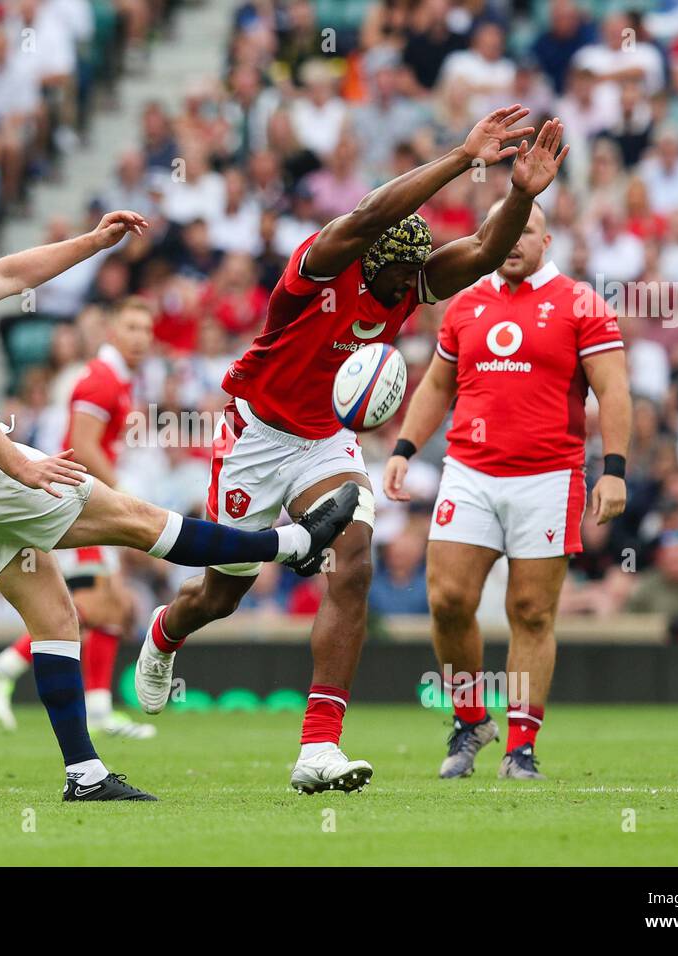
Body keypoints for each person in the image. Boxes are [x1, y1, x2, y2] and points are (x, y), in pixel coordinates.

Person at [0, 203, 356, 802]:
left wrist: (93, 242)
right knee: (138, 520)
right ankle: (294, 543)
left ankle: (84, 776)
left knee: (57, 620)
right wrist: (21, 462)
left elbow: (14, 276)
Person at [134, 107, 571, 794]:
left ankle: (318, 747)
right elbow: (367, 215)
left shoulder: (410, 278)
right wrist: (462, 157)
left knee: (353, 566)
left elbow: (485, 253)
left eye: (412, 277)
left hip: (324, 440)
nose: (408, 288)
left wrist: (520, 193)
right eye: (396, 276)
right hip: (257, 433)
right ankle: (166, 633)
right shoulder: (321, 264)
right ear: (371, 258)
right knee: (221, 595)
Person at [384, 195, 630, 780]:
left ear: (547, 243)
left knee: (531, 612)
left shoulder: (581, 304)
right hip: (469, 471)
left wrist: (615, 469)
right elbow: (437, 386)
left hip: (549, 474)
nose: (514, 239)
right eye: (504, 229)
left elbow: (614, 391)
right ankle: (472, 721)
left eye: (527, 230)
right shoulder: (465, 304)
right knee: (447, 601)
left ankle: (521, 746)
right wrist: (403, 450)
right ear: (488, 236)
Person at [0, 298, 159, 739]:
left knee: (113, 608)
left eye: (147, 330)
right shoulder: (102, 381)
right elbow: (83, 446)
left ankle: (97, 708)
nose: (140, 338)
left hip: (85, 497)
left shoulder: (116, 379)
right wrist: (124, 498)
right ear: (112, 331)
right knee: (89, 606)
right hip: (75, 500)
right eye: (131, 327)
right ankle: (3, 666)